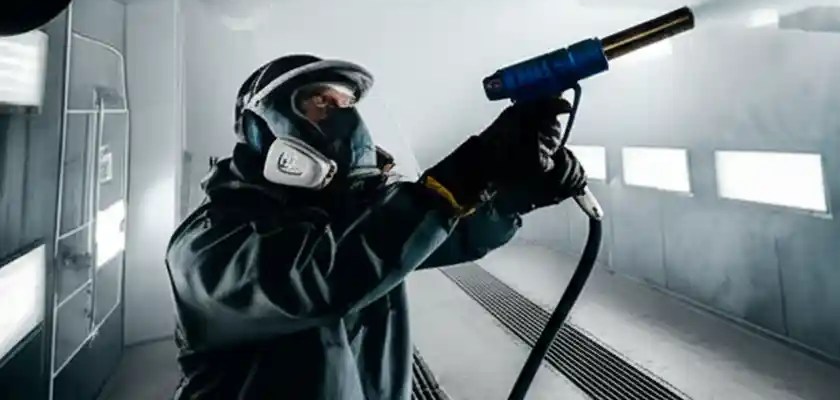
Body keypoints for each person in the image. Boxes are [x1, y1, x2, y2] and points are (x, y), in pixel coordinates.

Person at [166, 54, 586, 399]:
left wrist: (511, 198)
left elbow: (445, 236)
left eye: (347, 104)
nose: (343, 118)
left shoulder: (345, 218)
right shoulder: (206, 242)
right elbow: (319, 276)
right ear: (260, 129)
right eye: (319, 102)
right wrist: (468, 172)